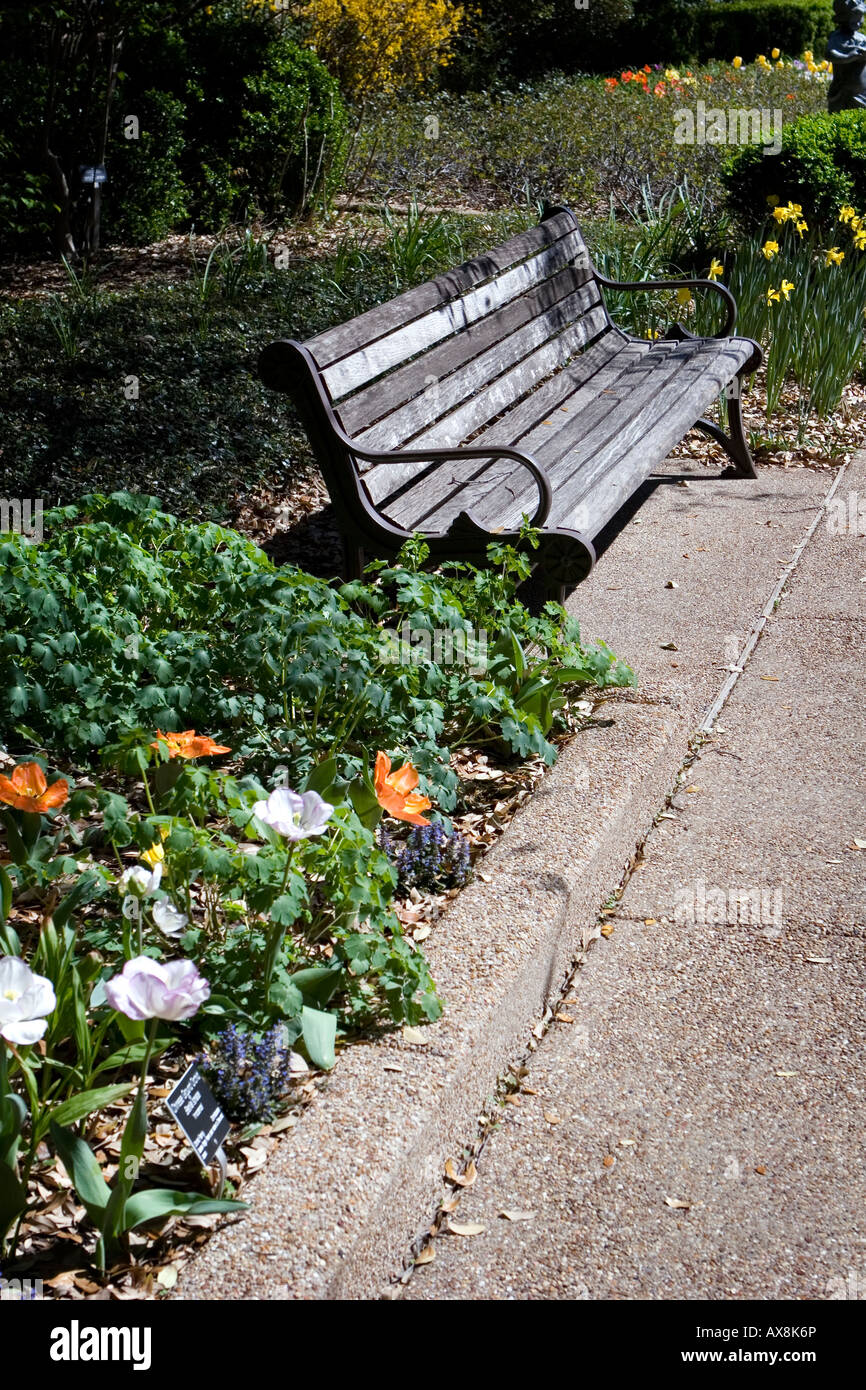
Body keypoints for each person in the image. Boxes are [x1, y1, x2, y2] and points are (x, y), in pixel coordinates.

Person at [827, 0, 866, 110]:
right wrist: (850, 56)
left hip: (863, 92)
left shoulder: (862, 38)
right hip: (844, 92)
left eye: (861, 16)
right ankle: (778, 123)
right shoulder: (837, 37)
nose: (859, 21)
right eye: (856, 16)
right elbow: (831, 54)